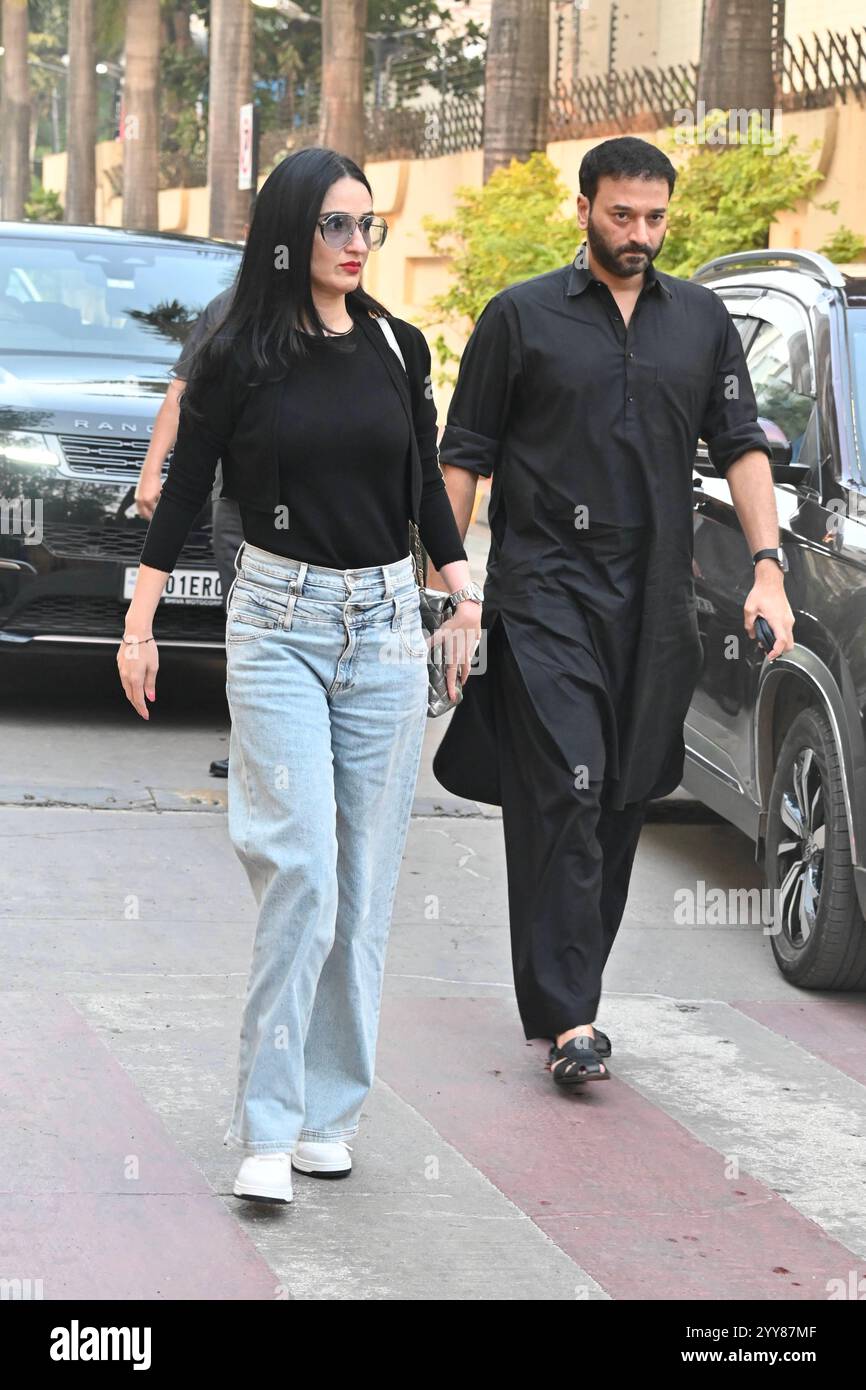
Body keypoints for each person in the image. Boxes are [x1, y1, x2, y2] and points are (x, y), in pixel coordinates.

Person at [117, 146, 482, 1203]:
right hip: (275, 622)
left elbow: (425, 494)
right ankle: (268, 1123)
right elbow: (185, 489)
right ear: (288, 233)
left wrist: (460, 592)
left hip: (383, 627)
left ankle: (331, 1111)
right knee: (302, 871)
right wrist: (138, 619)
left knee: (363, 886)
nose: (357, 243)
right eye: (334, 225)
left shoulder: (396, 347)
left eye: (367, 224)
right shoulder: (239, 355)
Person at [430, 135, 795, 1089]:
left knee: (625, 795)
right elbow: (462, 456)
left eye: (655, 217)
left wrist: (769, 570)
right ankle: (570, 1020)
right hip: (545, 598)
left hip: (657, 606)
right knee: (567, 789)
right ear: (583, 208)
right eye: (622, 214)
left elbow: (744, 447)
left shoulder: (704, 323)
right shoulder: (520, 319)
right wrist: (446, 593)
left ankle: (572, 988)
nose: (640, 234)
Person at [134, 205, 254, 777]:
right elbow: (180, 395)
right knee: (246, 622)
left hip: (321, 520)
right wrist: (151, 469)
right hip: (237, 506)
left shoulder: (351, 316)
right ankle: (253, 743)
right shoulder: (225, 311)